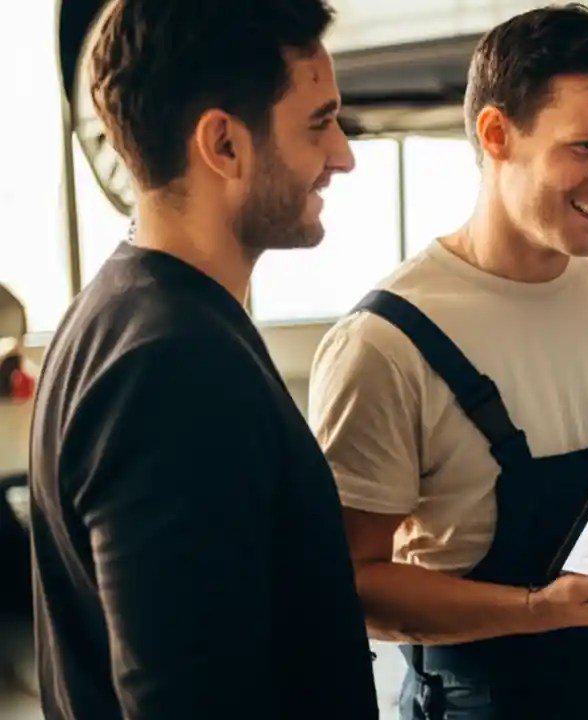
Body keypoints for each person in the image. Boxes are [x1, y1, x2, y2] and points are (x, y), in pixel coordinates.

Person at [307, 5, 588, 718]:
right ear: (496, 135)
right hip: (481, 703)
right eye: (586, 148)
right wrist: (539, 608)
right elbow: (351, 587)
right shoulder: (384, 343)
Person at [27, 1, 378, 718]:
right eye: (319, 121)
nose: (342, 154)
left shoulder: (120, 309)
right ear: (223, 144)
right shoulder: (173, 369)